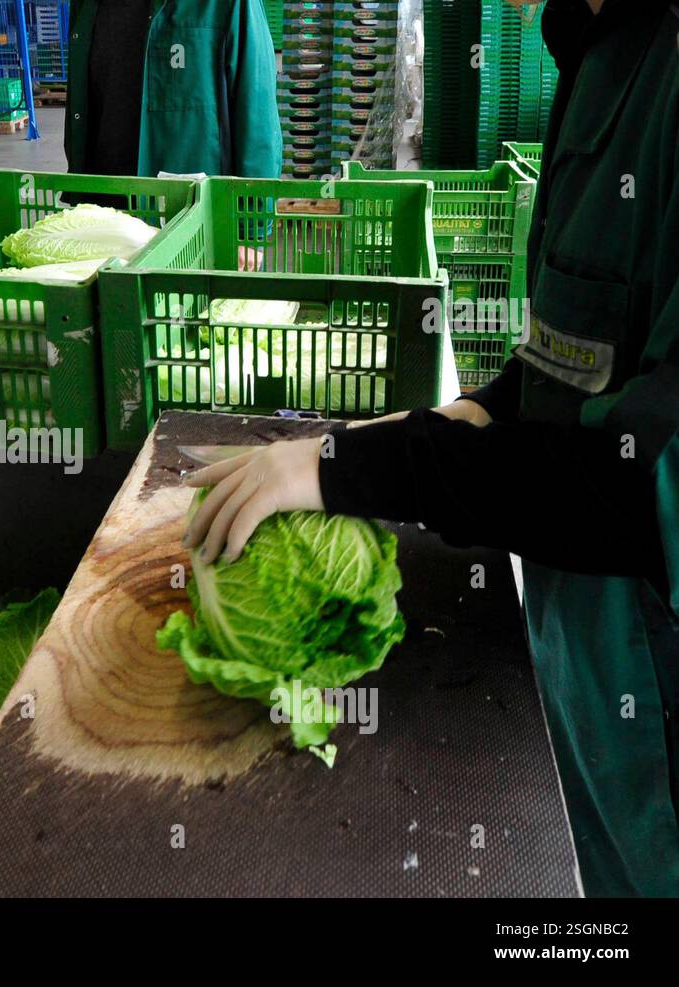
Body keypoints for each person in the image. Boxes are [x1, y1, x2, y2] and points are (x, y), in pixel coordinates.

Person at [181, 0, 678, 897]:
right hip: (596, 688)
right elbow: (572, 360)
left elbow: (643, 491)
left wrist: (361, 469)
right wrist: (465, 415)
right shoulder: (601, 47)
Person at [64, 0, 282, 180]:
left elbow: (257, 112)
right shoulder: (87, 6)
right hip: (105, 208)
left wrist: (254, 220)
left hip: (190, 215)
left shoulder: (225, 5)